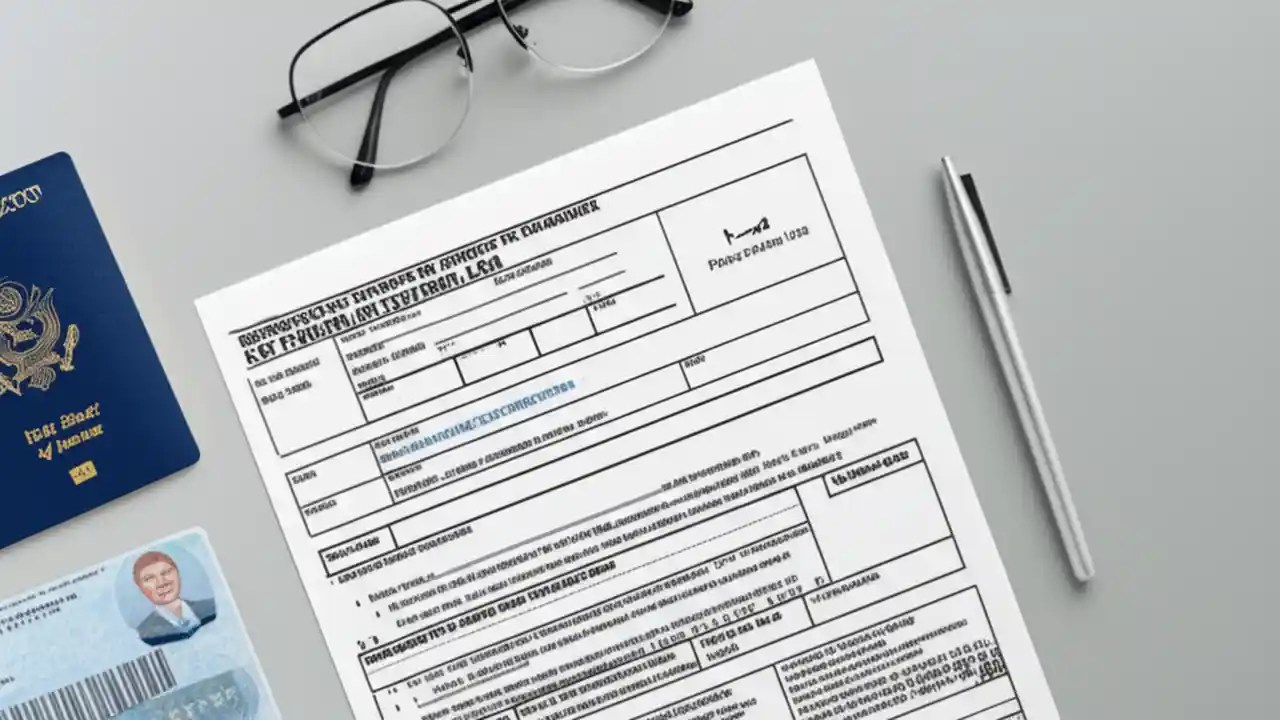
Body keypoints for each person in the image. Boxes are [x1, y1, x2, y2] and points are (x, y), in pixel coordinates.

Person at [131, 550, 216, 646]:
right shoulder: (144, 633)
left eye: (166, 572)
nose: (161, 583)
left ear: (178, 574)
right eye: (149, 578)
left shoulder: (211, 608)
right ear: (140, 588)